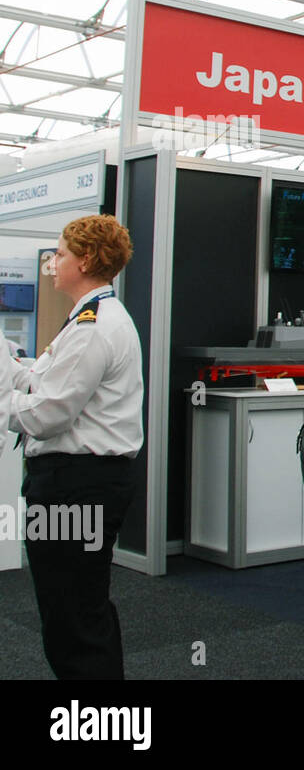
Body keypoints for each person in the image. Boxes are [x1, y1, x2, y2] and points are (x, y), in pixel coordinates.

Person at [0, 214, 143, 679]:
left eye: (60, 254)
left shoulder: (92, 327)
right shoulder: (90, 319)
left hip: (75, 485)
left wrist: (4, 401)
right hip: (80, 483)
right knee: (80, 609)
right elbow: (41, 381)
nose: (53, 263)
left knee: (72, 620)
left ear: (84, 260)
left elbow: (45, 415)